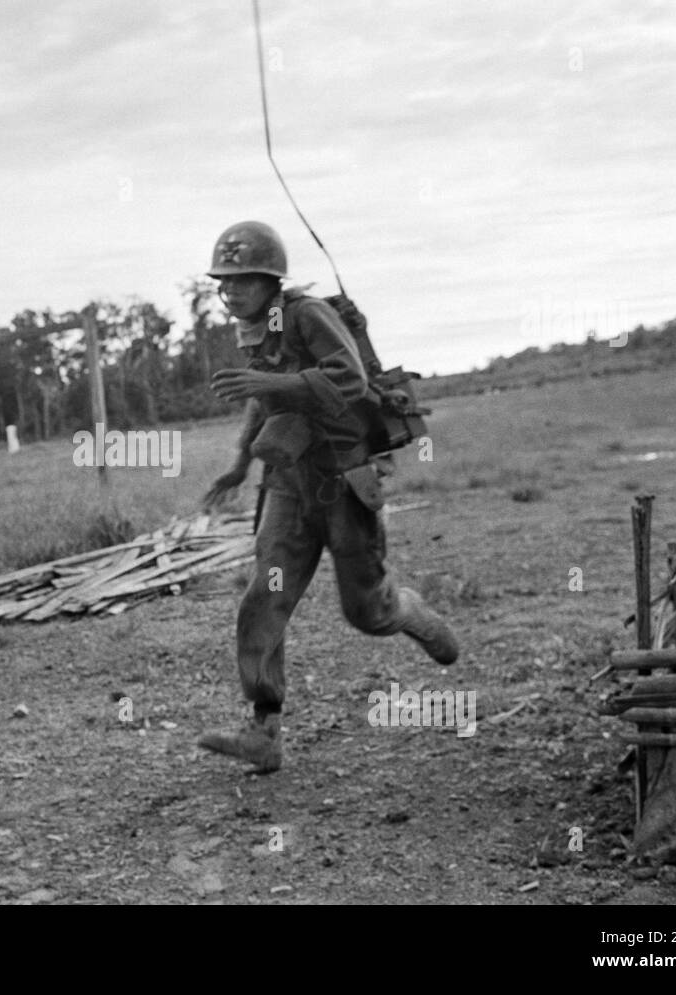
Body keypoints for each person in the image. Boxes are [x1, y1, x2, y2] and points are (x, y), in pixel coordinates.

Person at [197, 220, 459, 773]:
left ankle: (407, 609)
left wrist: (270, 386)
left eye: (243, 280)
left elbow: (349, 380)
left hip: (343, 481)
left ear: (271, 279)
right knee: (263, 597)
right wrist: (240, 464)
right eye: (225, 282)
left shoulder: (308, 315)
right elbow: (260, 399)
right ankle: (264, 729)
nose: (232, 292)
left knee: (365, 612)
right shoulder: (257, 331)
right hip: (287, 487)